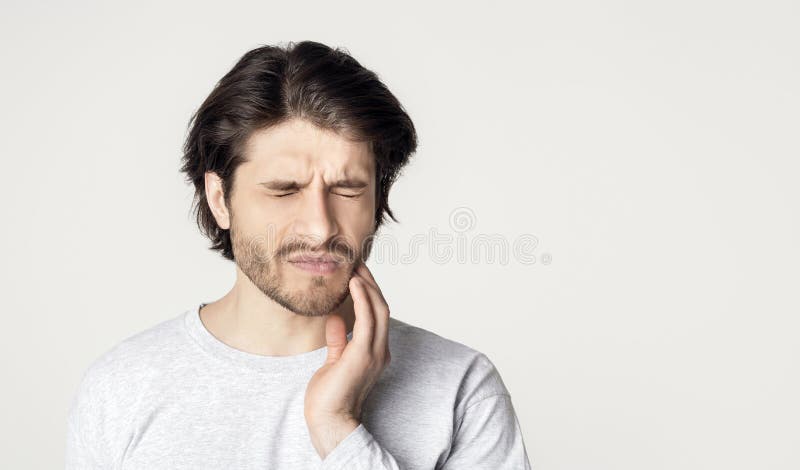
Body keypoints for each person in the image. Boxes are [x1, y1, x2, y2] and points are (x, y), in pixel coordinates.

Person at [65, 40, 533, 469]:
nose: (320, 227)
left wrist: (338, 430)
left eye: (347, 189)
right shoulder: (122, 388)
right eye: (284, 190)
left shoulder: (461, 390)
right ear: (220, 199)